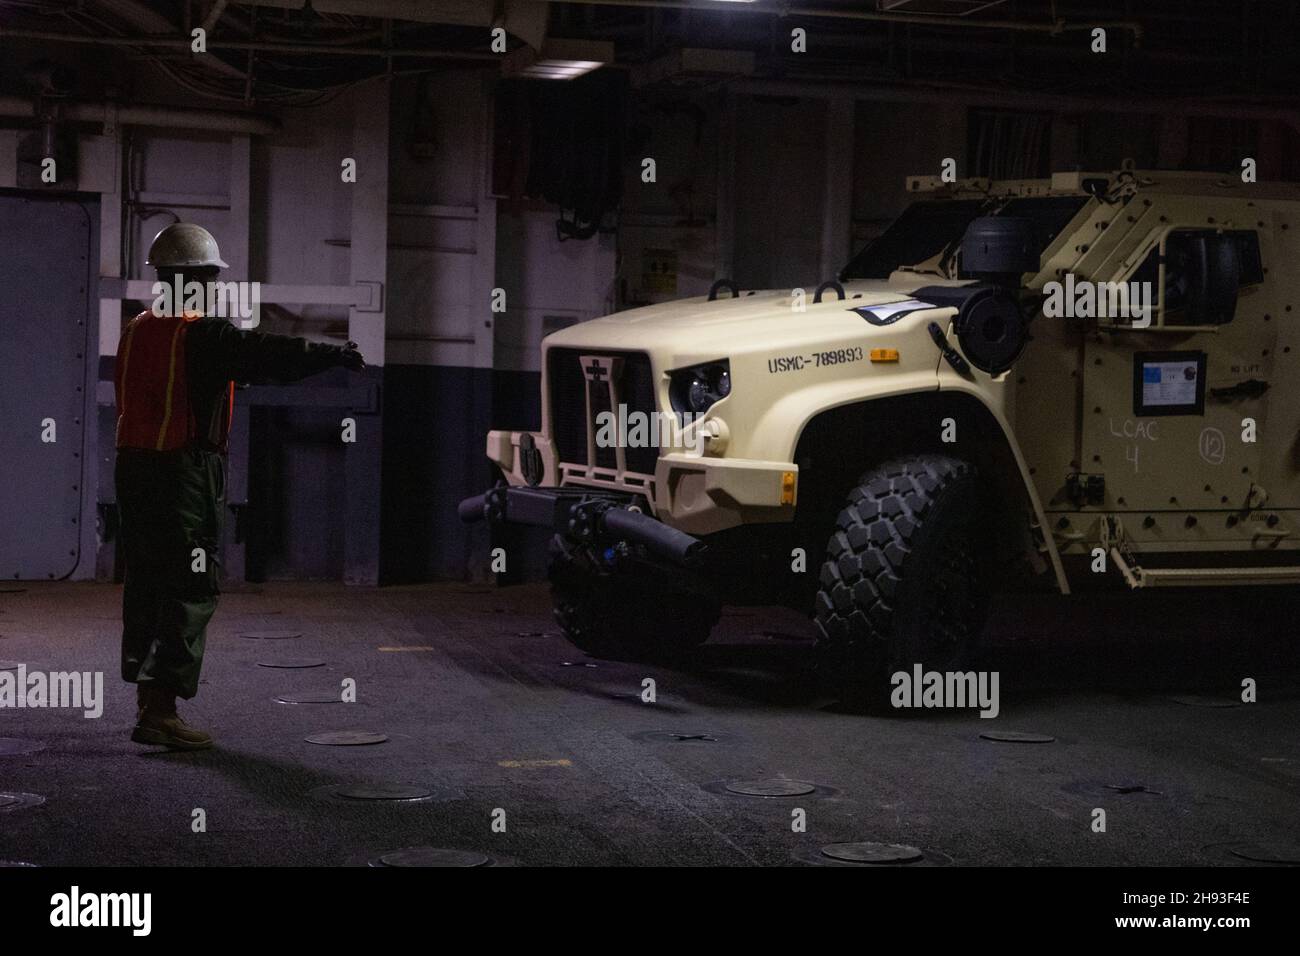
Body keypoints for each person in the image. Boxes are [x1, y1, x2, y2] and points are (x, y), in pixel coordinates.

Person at [115, 223, 365, 750]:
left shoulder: (137, 328)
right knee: (190, 584)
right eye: (208, 277)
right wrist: (331, 354)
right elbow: (265, 353)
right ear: (198, 278)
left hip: (136, 472)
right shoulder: (202, 332)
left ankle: (147, 702)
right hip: (184, 474)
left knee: (148, 583)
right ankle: (161, 713)